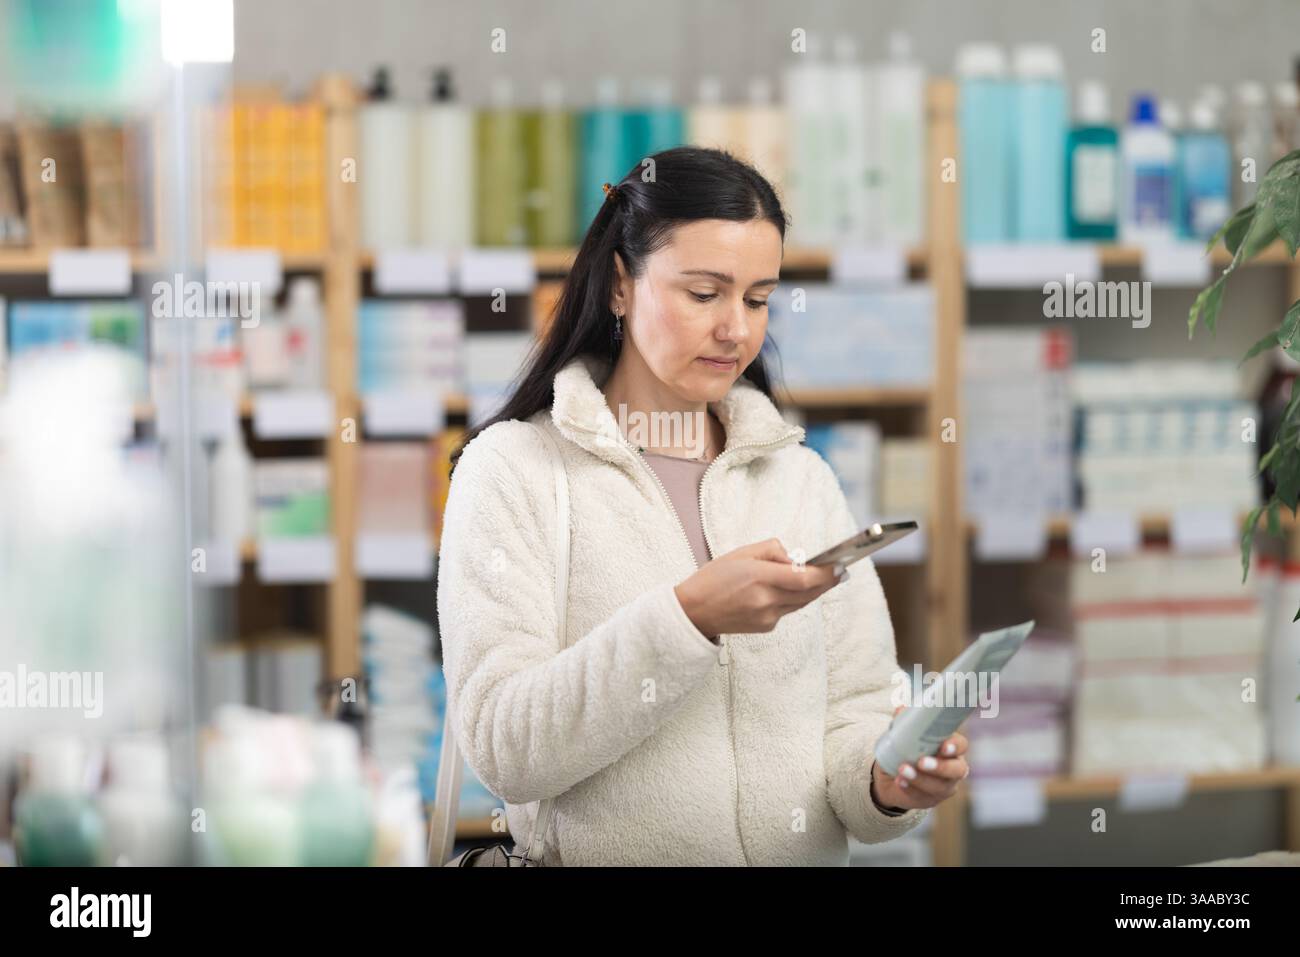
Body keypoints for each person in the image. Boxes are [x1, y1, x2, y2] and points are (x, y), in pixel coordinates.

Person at [436, 146, 967, 866]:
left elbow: (855, 710)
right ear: (620, 284)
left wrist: (888, 780)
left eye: (757, 299)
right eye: (704, 293)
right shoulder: (514, 472)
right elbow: (505, 748)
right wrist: (686, 619)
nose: (736, 330)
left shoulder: (799, 479)